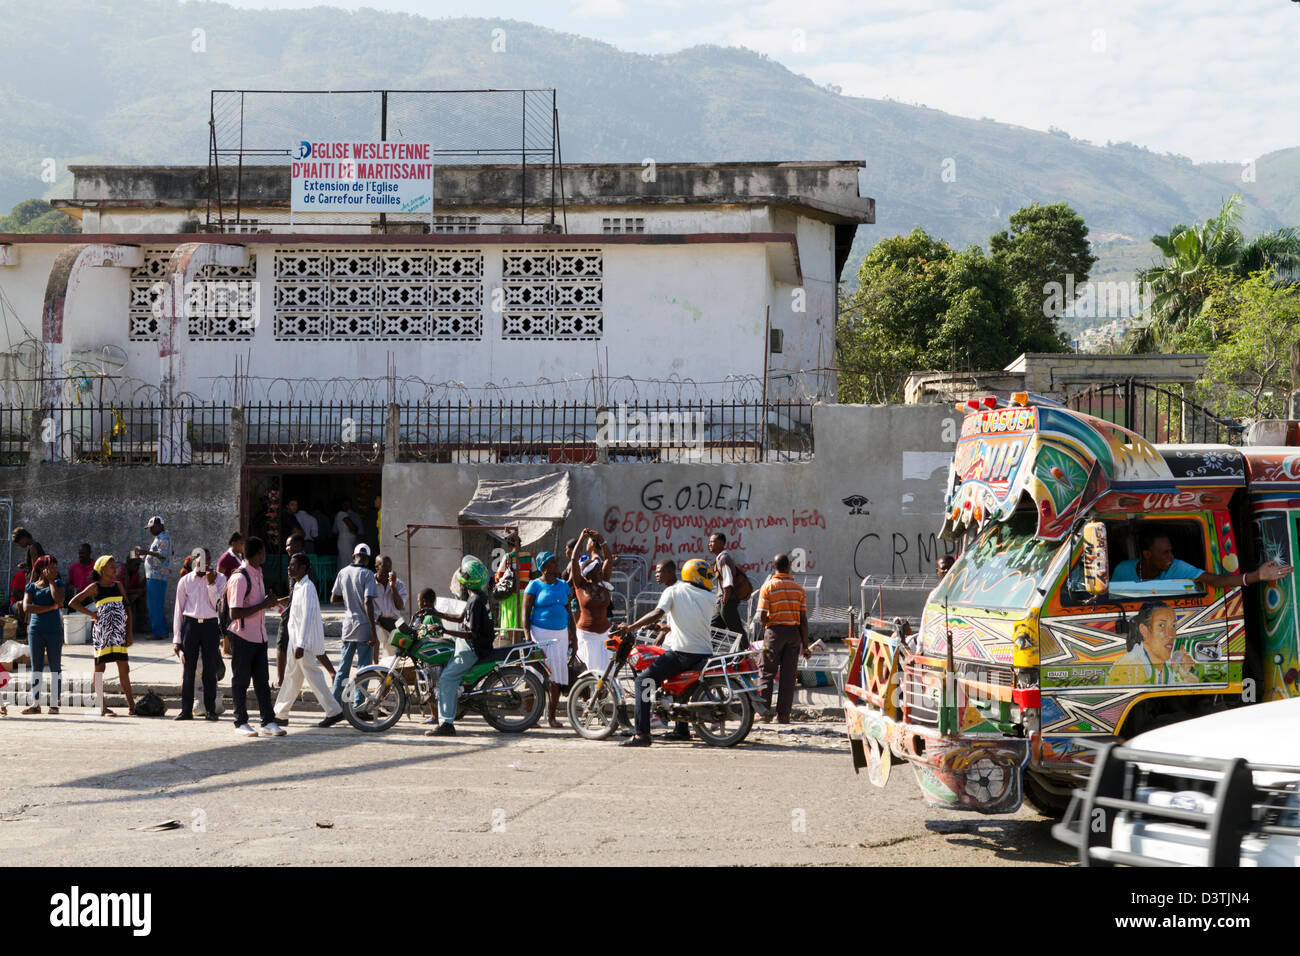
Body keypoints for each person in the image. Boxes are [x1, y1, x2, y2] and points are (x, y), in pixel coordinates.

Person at [612, 557, 716, 747]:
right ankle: (681, 730)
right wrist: (666, 627)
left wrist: (630, 628)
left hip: (682, 652)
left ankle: (641, 735)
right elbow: (690, 620)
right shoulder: (710, 596)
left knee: (642, 681)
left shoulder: (673, 591)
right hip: (705, 653)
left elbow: (657, 613)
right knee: (678, 686)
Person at [425, 556, 495, 737]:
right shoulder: (478, 596)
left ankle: (447, 723)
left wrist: (443, 630)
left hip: (473, 648)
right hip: (470, 644)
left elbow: (471, 633)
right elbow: (459, 618)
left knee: (447, 679)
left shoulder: (475, 601)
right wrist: (436, 613)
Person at [275, 553, 345, 729]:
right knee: (292, 677)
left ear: (303, 568)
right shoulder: (298, 586)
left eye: (294, 565)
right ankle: (281, 713)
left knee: (313, 676)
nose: (289, 568)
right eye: (289, 565)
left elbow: (307, 618)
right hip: (295, 641)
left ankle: (334, 711)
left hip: (301, 643)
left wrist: (302, 644)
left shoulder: (307, 587)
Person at [227, 536, 285, 737]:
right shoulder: (240, 578)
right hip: (242, 636)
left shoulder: (258, 573)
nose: (265, 555)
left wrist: (272, 602)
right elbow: (235, 612)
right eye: (263, 552)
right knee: (241, 680)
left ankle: (267, 721)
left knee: (262, 681)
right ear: (258, 553)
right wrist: (263, 605)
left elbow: (260, 604)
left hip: (259, 637)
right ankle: (240, 721)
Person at [1111, 529, 1292, 589]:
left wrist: (1257, 576)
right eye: (1164, 553)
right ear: (1147, 555)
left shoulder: (1176, 567)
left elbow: (1215, 579)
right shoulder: (1122, 570)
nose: (1171, 557)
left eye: (1171, 551)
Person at [69, 555, 135, 718]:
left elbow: (127, 610)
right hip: (102, 633)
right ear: (102, 569)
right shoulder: (95, 587)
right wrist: (92, 614)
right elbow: (73, 602)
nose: (115, 569)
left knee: (124, 668)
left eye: (115, 566)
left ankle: (132, 705)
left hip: (119, 633)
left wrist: (129, 633)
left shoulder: (118, 586)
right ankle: (103, 707)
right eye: (112, 567)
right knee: (100, 669)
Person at [755, 553, 810, 725]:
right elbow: (803, 620)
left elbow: (762, 614)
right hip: (793, 634)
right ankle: (783, 715)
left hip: (774, 633)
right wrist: (806, 645)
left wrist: (766, 627)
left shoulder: (768, 587)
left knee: (766, 672)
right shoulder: (799, 590)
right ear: (788, 567)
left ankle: (763, 713)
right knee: (788, 675)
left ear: (775, 567)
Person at [171, 548, 225, 721]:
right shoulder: (185, 581)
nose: (205, 563)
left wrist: (211, 584)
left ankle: (210, 710)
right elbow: (178, 610)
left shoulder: (220, 579)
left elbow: (218, 604)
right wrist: (177, 638)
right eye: (201, 559)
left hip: (210, 625)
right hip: (191, 626)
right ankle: (186, 710)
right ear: (194, 559)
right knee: (188, 669)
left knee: (210, 669)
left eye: (208, 559)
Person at [523, 550, 574, 727]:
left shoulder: (563, 585)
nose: (556, 564)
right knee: (535, 675)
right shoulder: (534, 585)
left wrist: (572, 637)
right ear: (543, 566)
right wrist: (528, 636)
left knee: (556, 676)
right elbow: (525, 613)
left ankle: (552, 717)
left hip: (560, 636)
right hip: (539, 634)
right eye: (552, 562)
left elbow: (569, 613)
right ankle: (531, 716)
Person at [330, 543, 379, 706]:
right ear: (368, 559)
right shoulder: (368, 574)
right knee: (364, 668)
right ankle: (359, 704)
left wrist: (349, 597)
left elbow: (333, 598)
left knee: (343, 668)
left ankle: (335, 704)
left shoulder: (343, 573)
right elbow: (368, 601)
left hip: (348, 626)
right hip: (364, 626)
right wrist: (373, 630)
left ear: (353, 556)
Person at [1106, 600, 1196, 686]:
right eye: (1161, 625)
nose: (1171, 635)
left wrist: (1185, 674)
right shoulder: (1128, 667)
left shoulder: (1167, 667)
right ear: (1144, 630)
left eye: (1173, 626)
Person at [22, 555, 65, 714]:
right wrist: (49, 608)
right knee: (36, 667)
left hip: (54, 631)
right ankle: (35, 703)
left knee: (55, 667)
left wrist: (52, 581)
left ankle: (54, 704)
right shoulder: (31, 587)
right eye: (50, 567)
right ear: (41, 569)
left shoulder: (58, 583)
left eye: (55, 567)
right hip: (36, 631)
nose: (54, 570)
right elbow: (27, 607)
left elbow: (59, 600)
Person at [276, 533, 318, 689]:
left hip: (294, 610)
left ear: (299, 546)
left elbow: (304, 588)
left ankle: (280, 681)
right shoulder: (298, 563)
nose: (287, 548)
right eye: (286, 545)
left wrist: (291, 603)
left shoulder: (299, 564)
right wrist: (284, 599)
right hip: (294, 606)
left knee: (282, 642)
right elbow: (295, 590)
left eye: (290, 545)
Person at [571, 529, 614, 676]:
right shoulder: (580, 585)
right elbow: (573, 560)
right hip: (587, 636)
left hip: (605, 634)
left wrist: (601, 539)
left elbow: (609, 559)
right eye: (597, 570)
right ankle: (588, 698)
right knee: (590, 672)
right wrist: (581, 538)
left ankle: (602, 698)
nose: (601, 571)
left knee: (606, 672)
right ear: (588, 574)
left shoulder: (603, 583)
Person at [708, 532, 747, 646]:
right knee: (714, 630)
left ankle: (746, 654)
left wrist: (725, 600)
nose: (709, 544)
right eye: (709, 541)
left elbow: (728, 580)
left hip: (726, 601)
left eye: (712, 541)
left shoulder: (724, 558)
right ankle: (705, 652)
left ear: (721, 543)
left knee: (737, 631)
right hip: (722, 601)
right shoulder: (720, 558)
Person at [492, 531, 529, 638]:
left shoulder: (508, 557)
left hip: (511, 595)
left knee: (512, 625)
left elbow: (498, 576)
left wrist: (496, 577)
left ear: (509, 545)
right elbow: (535, 575)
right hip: (525, 595)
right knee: (523, 624)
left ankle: (516, 647)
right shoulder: (529, 556)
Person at [140, 516, 173, 640]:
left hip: (157, 576)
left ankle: (159, 632)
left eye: (152, 528)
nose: (150, 530)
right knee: (156, 605)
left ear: (159, 526)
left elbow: (162, 555)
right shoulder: (159, 538)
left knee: (154, 605)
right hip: (155, 576)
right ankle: (162, 630)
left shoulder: (163, 538)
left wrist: (147, 553)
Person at [373, 553, 409, 644]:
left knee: (392, 655)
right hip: (378, 624)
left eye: (390, 567)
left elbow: (400, 606)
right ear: (377, 567)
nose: (388, 570)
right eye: (384, 567)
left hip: (394, 623)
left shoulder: (399, 584)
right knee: (373, 631)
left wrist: (393, 587)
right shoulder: (370, 583)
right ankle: (375, 658)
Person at [334, 498, 362, 566]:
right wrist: (356, 528)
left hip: (346, 540)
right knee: (347, 560)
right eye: (347, 503)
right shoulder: (342, 514)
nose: (348, 505)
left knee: (347, 559)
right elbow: (352, 527)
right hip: (345, 541)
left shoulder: (344, 514)